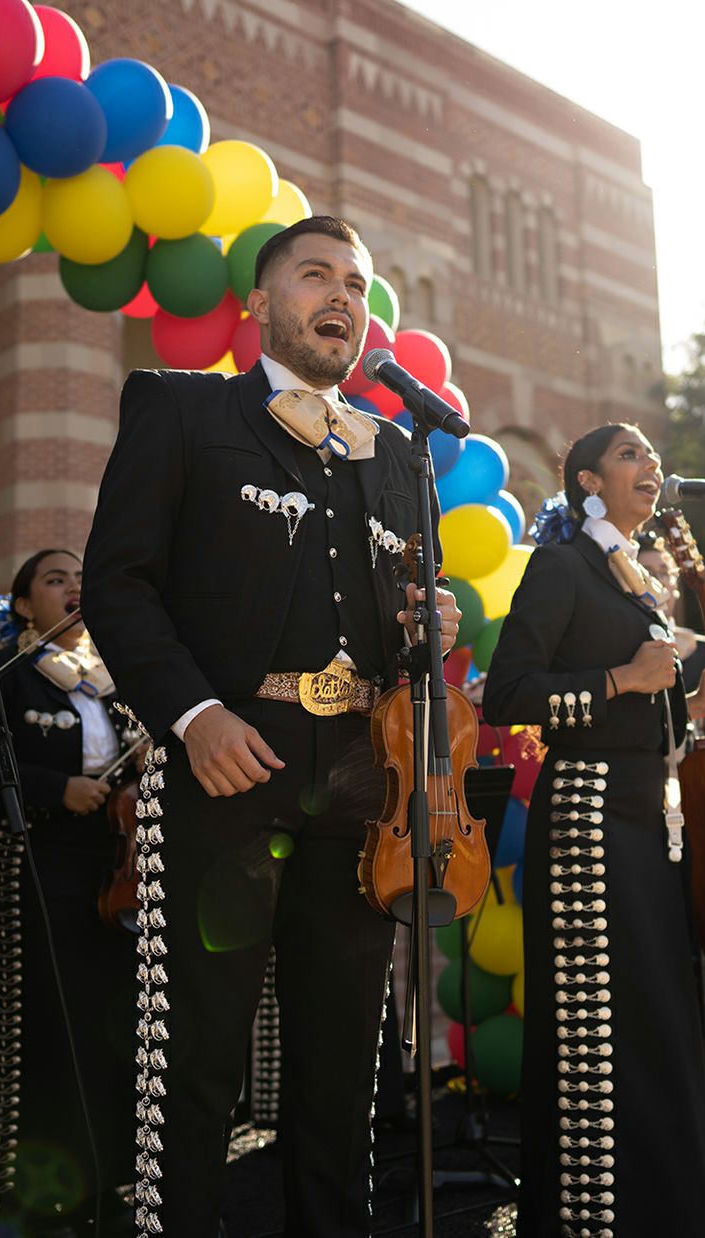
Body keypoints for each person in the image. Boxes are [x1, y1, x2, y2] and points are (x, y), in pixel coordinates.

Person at [82, 215, 461, 1237]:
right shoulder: (178, 408)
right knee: (198, 1066)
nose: (342, 296)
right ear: (260, 301)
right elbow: (117, 586)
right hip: (222, 772)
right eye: (315, 274)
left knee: (341, 1075)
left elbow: (397, 633)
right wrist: (191, 716)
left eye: (358, 282)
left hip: (357, 789)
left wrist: (431, 629)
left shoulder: (397, 456)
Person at [483, 423, 705, 1237]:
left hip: (648, 815)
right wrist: (624, 679)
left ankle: (663, 1210)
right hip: (586, 817)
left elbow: (644, 704)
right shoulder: (562, 567)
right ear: (588, 481)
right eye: (630, 455)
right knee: (596, 1029)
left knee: (657, 1015)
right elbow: (508, 696)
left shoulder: (635, 581)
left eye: (652, 455)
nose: (650, 465)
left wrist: (685, 710)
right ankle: (590, 1219)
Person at [0, 548, 138, 1231]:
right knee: (42, 1029)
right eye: (56, 580)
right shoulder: (3, 673)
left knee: (109, 1030)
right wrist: (56, 789)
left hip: (115, 872)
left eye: (83, 580)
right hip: (42, 864)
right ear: (25, 604)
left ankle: (101, 1181)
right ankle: (22, 1190)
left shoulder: (113, 683)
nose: (75, 590)